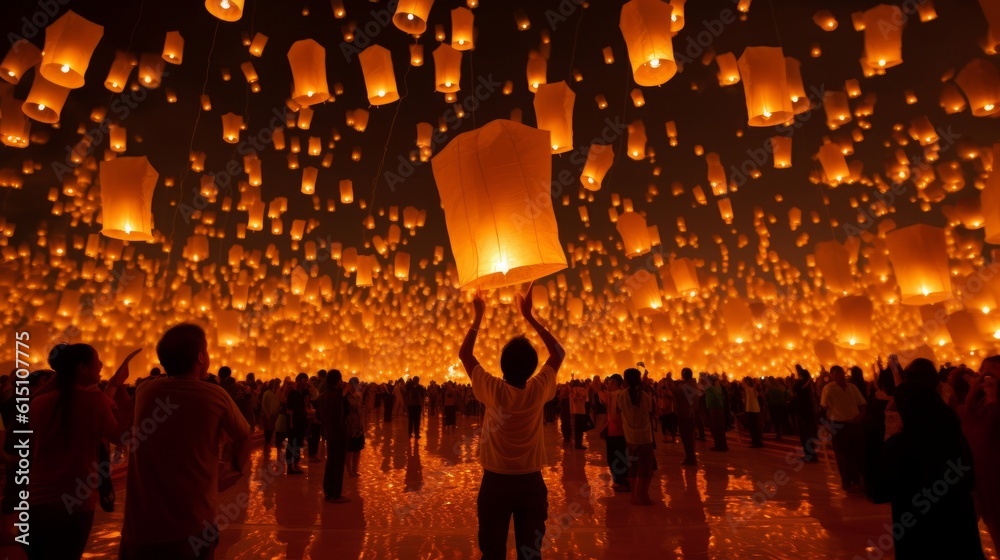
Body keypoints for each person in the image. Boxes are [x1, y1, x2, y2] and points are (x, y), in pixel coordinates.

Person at [120, 323, 251, 560]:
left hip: (140, 530)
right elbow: (244, 434)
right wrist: (236, 469)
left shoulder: (144, 391)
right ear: (201, 357)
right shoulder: (215, 395)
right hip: (192, 526)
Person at [459, 283, 564, 560]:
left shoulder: (493, 391)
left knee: (492, 552)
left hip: (495, 482)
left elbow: (465, 356)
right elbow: (558, 354)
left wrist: (478, 315)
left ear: (502, 366)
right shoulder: (537, 390)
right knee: (531, 552)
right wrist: (530, 316)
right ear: (532, 368)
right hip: (531, 481)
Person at [26, 344, 136, 560]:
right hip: (77, 497)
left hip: (38, 496)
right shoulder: (96, 403)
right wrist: (123, 390)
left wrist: (61, 374)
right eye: (97, 360)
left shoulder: (39, 403)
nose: (101, 365)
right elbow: (122, 437)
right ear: (82, 368)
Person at [871, 370, 986, 559]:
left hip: (918, 532)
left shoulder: (900, 446)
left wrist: (883, 438)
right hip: (957, 527)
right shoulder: (954, 437)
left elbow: (879, 491)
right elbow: (970, 480)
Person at [820, 365, 867, 492]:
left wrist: (860, 417)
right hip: (838, 424)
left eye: (841, 374)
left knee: (857, 452)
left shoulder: (852, 388)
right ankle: (846, 482)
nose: (840, 377)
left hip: (854, 423)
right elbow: (823, 407)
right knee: (842, 455)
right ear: (832, 376)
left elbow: (862, 404)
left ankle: (857, 479)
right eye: (836, 374)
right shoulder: (828, 389)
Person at [617, 369, 654, 505]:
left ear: (625, 381)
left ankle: (634, 496)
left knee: (632, 467)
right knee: (646, 468)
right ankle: (644, 496)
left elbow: (620, 410)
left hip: (630, 437)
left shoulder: (621, 396)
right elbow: (650, 411)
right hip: (645, 437)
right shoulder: (645, 396)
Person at [322, 369, 350, 503]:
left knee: (331, 461)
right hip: (339, 433)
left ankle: (328, 491)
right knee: (338, 462)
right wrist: (344, 393)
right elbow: (345, 412)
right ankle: (336, 494)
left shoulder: (325, 395)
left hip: (329, 432)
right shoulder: (337, 395)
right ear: (337, 381)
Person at [599, 374, 629, 492]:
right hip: (611, 431)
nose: (608, 384)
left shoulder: (620, 394)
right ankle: (617, 480)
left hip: (620, 431)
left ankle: (623, 481)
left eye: (610, 382)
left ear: (616, 383)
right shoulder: (611, 395)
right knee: (612, 457)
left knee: (620, 457)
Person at [672, 368, 702, 466]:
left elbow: (676, 392)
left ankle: (690, 458)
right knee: (689, 437)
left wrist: (668, 380)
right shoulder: (692, 384)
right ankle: (691, 457)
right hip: (690, 413)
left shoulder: (687, 386)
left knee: (686, 437)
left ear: (683, 375)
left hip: (685, 414)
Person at [791, 365, 819, 463]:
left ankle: (810, 455)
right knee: (808, 434)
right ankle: (810, 454)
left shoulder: (801, 384)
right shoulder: (809, 385)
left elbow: (794, 391)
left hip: (803, 412)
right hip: (808, 411)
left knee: (805, 434)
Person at [345, 377, 365, 477]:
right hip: (350, 426)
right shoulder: (346, 396)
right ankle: (350, 471)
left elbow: (361, 409)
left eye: (356, 384)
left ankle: (355, 469)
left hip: (358, 425)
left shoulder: (357, 395)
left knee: (358, 448)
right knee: (349, 450)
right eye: (353, 384)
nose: (355, 386)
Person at [704, 375, 728, 451]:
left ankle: (719, 446)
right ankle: (722, 445)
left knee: (716, 428)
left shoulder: (710, 387)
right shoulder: (718, 387)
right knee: (719, 428)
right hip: (718, 408)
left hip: (714, 408)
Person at [742, 377, 764, 448]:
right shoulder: (754, 388)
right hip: (756, 409)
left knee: (752, 427)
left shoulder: (747, 389)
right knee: (756, 427)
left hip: (750, 409)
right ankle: (758, 442)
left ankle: (755, 442)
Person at [261, 379, 280, 455]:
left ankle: (267, 444)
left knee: (270, 430)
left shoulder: (272, 394)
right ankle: (267, 444)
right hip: (267, 415)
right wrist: (267, 415)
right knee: (268, 431)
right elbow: (264, 405)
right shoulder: (268, 394)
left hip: (272, 415)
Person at [569, 380, 588, 449]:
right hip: (580, 411)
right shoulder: (577, 390)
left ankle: (577, 444)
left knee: (577, 429)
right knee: (579, 429)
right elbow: (585, 397)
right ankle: (578, 444)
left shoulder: (573, 390)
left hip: (576, 411)